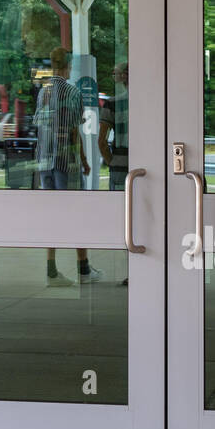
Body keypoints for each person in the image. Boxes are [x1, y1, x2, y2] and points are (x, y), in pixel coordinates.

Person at [32, 46, 102, 287]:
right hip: (65, 161)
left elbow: (40, 126)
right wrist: (83, 160)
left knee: (52, 214)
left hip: (44, 160)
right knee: (74, 212)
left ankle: (51, 268)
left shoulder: (44, 93)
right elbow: (74, 131)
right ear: (68, 66)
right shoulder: (72, 92)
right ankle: (83, 267)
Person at [99, 62, 129, 191]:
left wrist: (111, 162)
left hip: (119, 165)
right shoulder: (151, 103)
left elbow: (102, 141)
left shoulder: (112, 104)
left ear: (124, 76)